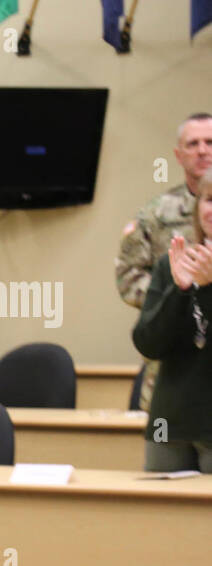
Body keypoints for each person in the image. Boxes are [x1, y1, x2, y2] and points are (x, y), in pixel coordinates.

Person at [107, 169, 212, 566]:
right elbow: (150, 340)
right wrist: (182, 287)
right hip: (172, 420)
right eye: (209, 200)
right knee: (161, 550)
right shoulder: (178, 262)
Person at [117, 112, 212, 412]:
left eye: (210, 142)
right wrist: (174, 293)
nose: (202, 150)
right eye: (193, 144)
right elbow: (128, 276)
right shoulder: (156, 214)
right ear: (178, 154)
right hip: (174, 359)